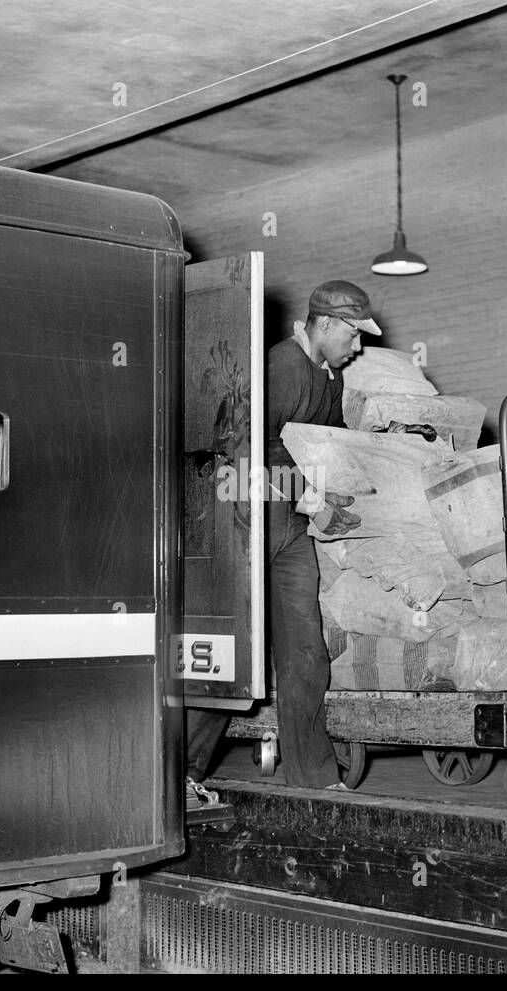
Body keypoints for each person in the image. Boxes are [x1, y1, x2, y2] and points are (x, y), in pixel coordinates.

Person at [185, 280, 380, 809]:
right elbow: (244, 448)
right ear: (327, 324)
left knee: (305, 654)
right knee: (236, 656)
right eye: (354, 335)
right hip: (246, 520)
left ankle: (313, 779)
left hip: (291, 527)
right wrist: (311, 497)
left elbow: (326, 446)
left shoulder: (328, 378)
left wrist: (346, 483)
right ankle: (182, 773)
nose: (357, 347)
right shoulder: (282, 365)